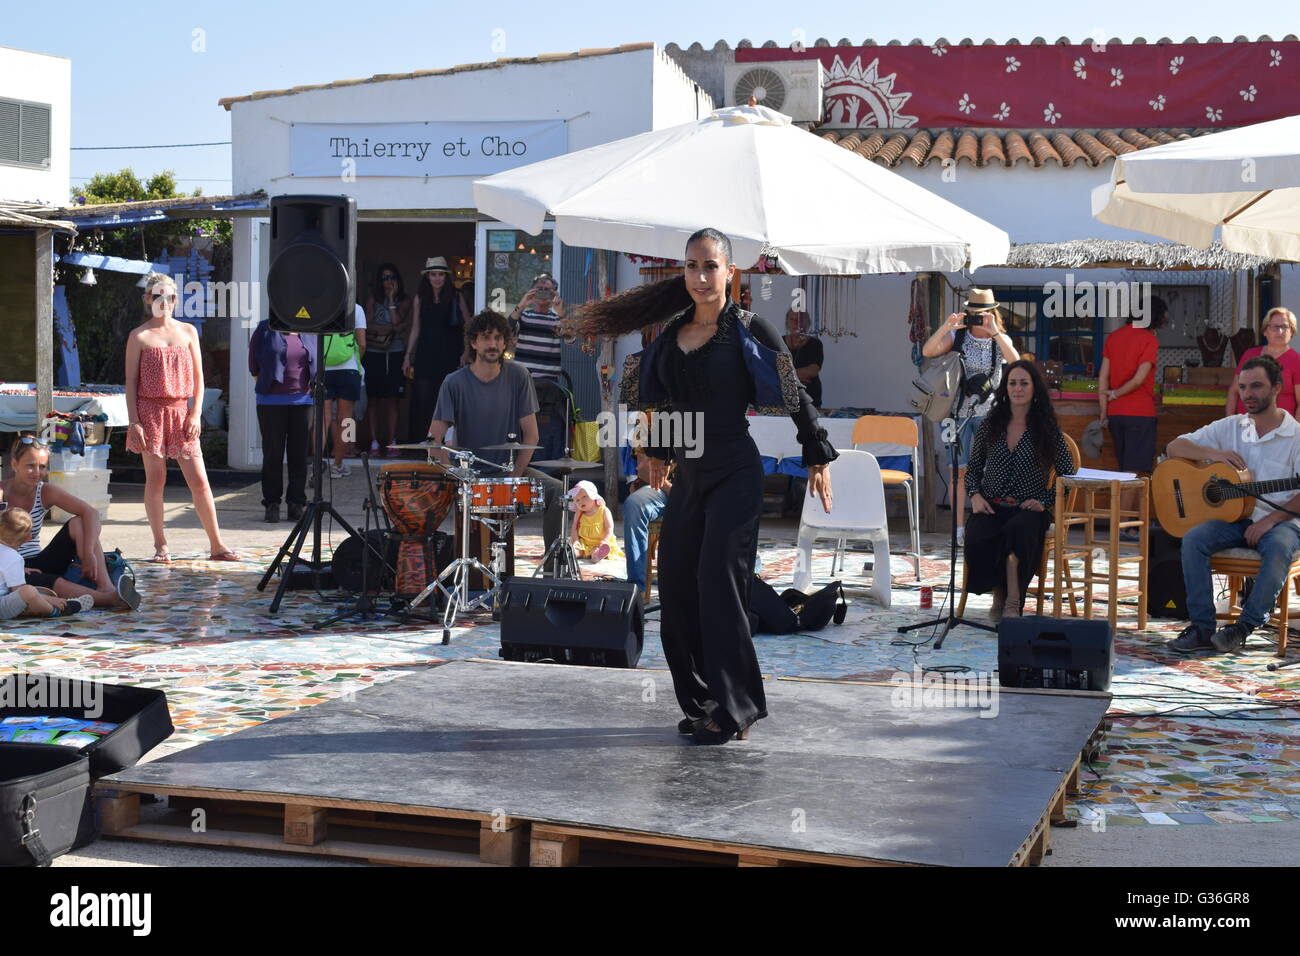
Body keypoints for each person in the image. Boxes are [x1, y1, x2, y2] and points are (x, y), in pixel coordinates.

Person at [566, 227, 835, 745]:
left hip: (736, 472)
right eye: (692, 265)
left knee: (718, 583)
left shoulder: (751, 329)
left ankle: (737, 708)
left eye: (711, 266)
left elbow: (793, 390)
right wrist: (654, 454)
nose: (701, 276)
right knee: (678, 588)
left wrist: (817, 451)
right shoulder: (670, 335)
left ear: (730, 272)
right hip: (689, 478)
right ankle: (704, 701)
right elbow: (655, 401)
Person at [1166, 355, 1300, 655]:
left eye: (1256, 386)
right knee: (1194, 538)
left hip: (1281, 522)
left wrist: (1269, 520)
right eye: (1242, 387)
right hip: (1232, 519)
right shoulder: (1230, 426)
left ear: (1277, 388)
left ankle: (1244, 626)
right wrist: (1213, 454)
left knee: (1279, 547)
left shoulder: (1296, 437)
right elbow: (1174, 447)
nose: (1248, 394)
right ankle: (1201, 627)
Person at [426, 309, 564, 558]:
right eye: (487, 337)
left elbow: (531, 435)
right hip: (469, 476)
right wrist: (455, 477)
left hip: (509, 471)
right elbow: (434, 440)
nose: (493, 344)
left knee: (557, 492)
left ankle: (551, 572)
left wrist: (513, 479)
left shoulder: (519, 375)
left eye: (499, 338)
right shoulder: (454, 382)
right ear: (473, 342)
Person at [125, 272, 237, 564]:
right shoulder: (139, 336)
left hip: (182, 412)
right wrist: (134, 421)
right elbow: (130, 383)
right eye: (159, 296)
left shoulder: (188, 331)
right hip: (150, 412)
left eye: (171, 296)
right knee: (156, 479)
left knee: (199, 480)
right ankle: (161, 545)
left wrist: (196, 413)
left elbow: (199, 378)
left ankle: (217, 544)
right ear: (148, 299)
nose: (166, 301)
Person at [964, 359, 1076, 622]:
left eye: (1024, 383)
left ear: (1034, 388)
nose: (1018, 388)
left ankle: (1014, 601)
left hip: (1028, 509)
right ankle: (998, 594)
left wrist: (1044, 500)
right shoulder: (990, 426)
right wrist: (975, 496)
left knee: (1018, 531)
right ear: (1005, 388)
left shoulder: (1047, 431)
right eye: (1012, 383)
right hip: (992, 504)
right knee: (978, 534)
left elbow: (1068, 476)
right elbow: (973, 469)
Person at [921, 288, 1020, 545]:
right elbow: (928, 351)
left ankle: (988, 523)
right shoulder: (958, 336)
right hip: (956, 414)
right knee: (959, 473)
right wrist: (947, 326)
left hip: (990, 415)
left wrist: (994, 332)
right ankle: (959, 528)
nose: (977, 318)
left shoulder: (1000, 339)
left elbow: (1016, 361)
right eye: (973, 313)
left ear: (992, 312)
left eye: (983, 313)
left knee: (991, 471)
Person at [1, 436, 138, 609]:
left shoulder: (45, 491)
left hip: (39, 560)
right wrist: (14, 568)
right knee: (45, 581)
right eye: (30, 466)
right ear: (14, 464)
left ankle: (106, 586)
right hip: (8, 566)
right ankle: (110, 599)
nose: (37, 472)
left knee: (80, 522)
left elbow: (91, 513)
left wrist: (88, 553)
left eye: (42, 466)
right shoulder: (1, 492)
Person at [1098, 295, 1163, 540]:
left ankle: (1133, 525)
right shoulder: (1149, 340)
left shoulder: (1113, 338)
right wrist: (1116, 393)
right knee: (1136, 473)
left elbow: (1102, 378)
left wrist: (1105, 408)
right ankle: (1123, 527)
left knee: (1127, 471)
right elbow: (1138, 379)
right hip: (1140, 412)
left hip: (1116, 414)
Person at [249, 318, 314, 523]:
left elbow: (316, 361)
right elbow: (253, 362)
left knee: (299, 456)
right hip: (270, 402)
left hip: (303, 401)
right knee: (272, 455)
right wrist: (267, 385)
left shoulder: (309, 329)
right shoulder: (265, 327)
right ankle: (272, 504)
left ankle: (296, 504)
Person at [406, 256, 470, 442]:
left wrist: (466, 352)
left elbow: (468, 325)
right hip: (426, 352)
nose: (437, 278)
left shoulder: (456, 296)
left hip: (450, 352)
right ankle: (423, 441)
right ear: (427, 276)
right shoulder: (420, 297)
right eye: (433, 274)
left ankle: (447, 441)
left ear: (446, 276)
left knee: (447, 397)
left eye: (441, 274)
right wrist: (408, 356)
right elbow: (415, 327)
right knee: (423, 398)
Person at [0, 508, 94, 619]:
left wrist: (21, 569)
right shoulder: (14, 558)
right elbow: (18, 591)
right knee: (28, 591)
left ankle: (33, 608)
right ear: (28, 538)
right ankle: (56, 609)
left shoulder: (11, 558)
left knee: (30, 593)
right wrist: (50, 599)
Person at [363, 263, 412, 457]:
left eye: (392, 277)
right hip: (374, 352)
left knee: (393, 399)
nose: (388, 281)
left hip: (396, 352)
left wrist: (391, 300)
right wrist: (390, 328)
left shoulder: (405, 300)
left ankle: (392, 441)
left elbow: (400, 327)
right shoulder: (373, 299)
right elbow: (367, 325)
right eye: (384, 278)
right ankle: (374, 442)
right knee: (373, 399)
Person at [1227, 308, 1300, 416]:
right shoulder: (1250, 355)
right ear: (1265, 331)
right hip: (1246, 426)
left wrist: (1296, 431)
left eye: (1284, 327)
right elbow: (1234, 391)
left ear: (1292, 331)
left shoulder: (1297, 360)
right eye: (1275, 327)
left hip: (1281, 429)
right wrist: (1230, 424)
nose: (1279, 332)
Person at [320, 304, 366, 478]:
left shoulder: (321, 304)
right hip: (349, 369)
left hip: (323, 368)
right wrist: (354, 361)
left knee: (322, 419)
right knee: (347, 421)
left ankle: (316, 466)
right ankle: (338, 465)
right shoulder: (356, 308)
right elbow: (362, 343)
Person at [623, 445, 671, 589]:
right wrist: (640, 480)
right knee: (635, 503)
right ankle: (636, 586)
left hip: (686, 490)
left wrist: (664, 483)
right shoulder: (648, 428)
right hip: (658, 488)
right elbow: (641, 468)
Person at [508, 272, 566, 381]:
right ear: (532, 292)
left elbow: (571, 339)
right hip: (522, 379)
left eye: (547, 290)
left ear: (553, 294)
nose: (543, 292)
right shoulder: (523, 316)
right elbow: (506, 331)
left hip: (549, 383)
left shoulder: (557, 320)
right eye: (539, 289)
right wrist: (522, 305)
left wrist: (562, 314)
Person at [567, 480, 622, 562]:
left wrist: (604, 540)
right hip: (584, 542)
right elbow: (574, 528)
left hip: (600, 542)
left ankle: (597, 555)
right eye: (577, 500)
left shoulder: (603, 510)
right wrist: (576, 541)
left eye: (584, 497)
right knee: (577, 551)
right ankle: (573, 553)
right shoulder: (579, 512)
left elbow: (609, 528)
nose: (581, 501)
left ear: (593, 496)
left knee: (596, 550)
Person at [783, 308, 825, 407]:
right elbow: (771, 369)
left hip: (809, 397)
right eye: (792, 319)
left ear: (807, 323)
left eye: (799, 320)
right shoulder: (779, 341)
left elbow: (813, 370)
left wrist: (786, 377)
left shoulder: (814, 343)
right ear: (787, 323)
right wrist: (798, 376)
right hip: (783, 397)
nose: (795, 323)